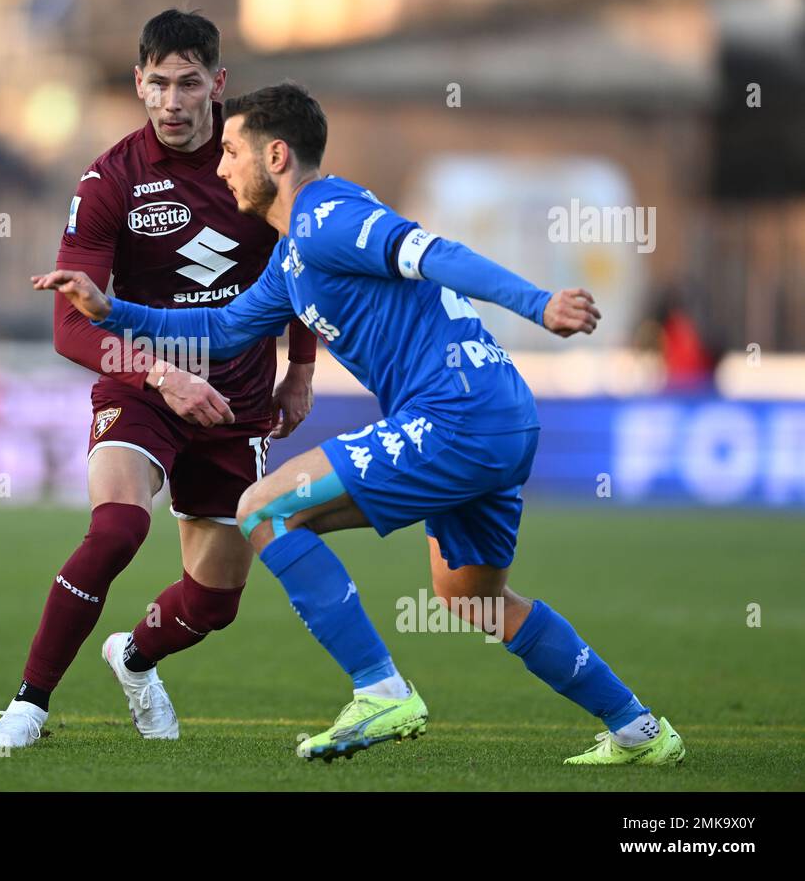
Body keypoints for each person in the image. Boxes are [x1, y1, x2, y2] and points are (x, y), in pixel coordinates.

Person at [35, 82, 685, 766]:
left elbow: (436, 253)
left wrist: (540, 303)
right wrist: (115, 312)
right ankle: (639, 730)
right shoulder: (292, 257)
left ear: (276, 156)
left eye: (231, 152)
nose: (220, 168)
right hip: (497, 419)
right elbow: (223, 329)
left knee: (263, 507)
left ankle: (380, 689)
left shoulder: (328, 218)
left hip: (458, 412)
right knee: (474, 596)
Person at [0, 12, 316, 749]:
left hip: (239, 401)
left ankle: (134, 659)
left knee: (217, 600)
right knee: (118, 527)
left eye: (188, 83)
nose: (171, 101)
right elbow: (72, 324)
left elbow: (303, 258)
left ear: (217, 84)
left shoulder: (258, 160)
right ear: (138, 82)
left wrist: (302, 369)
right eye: (157, 84)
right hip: (144, 388)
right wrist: (160, 375)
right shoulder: (109, 180)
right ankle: (29, 706)